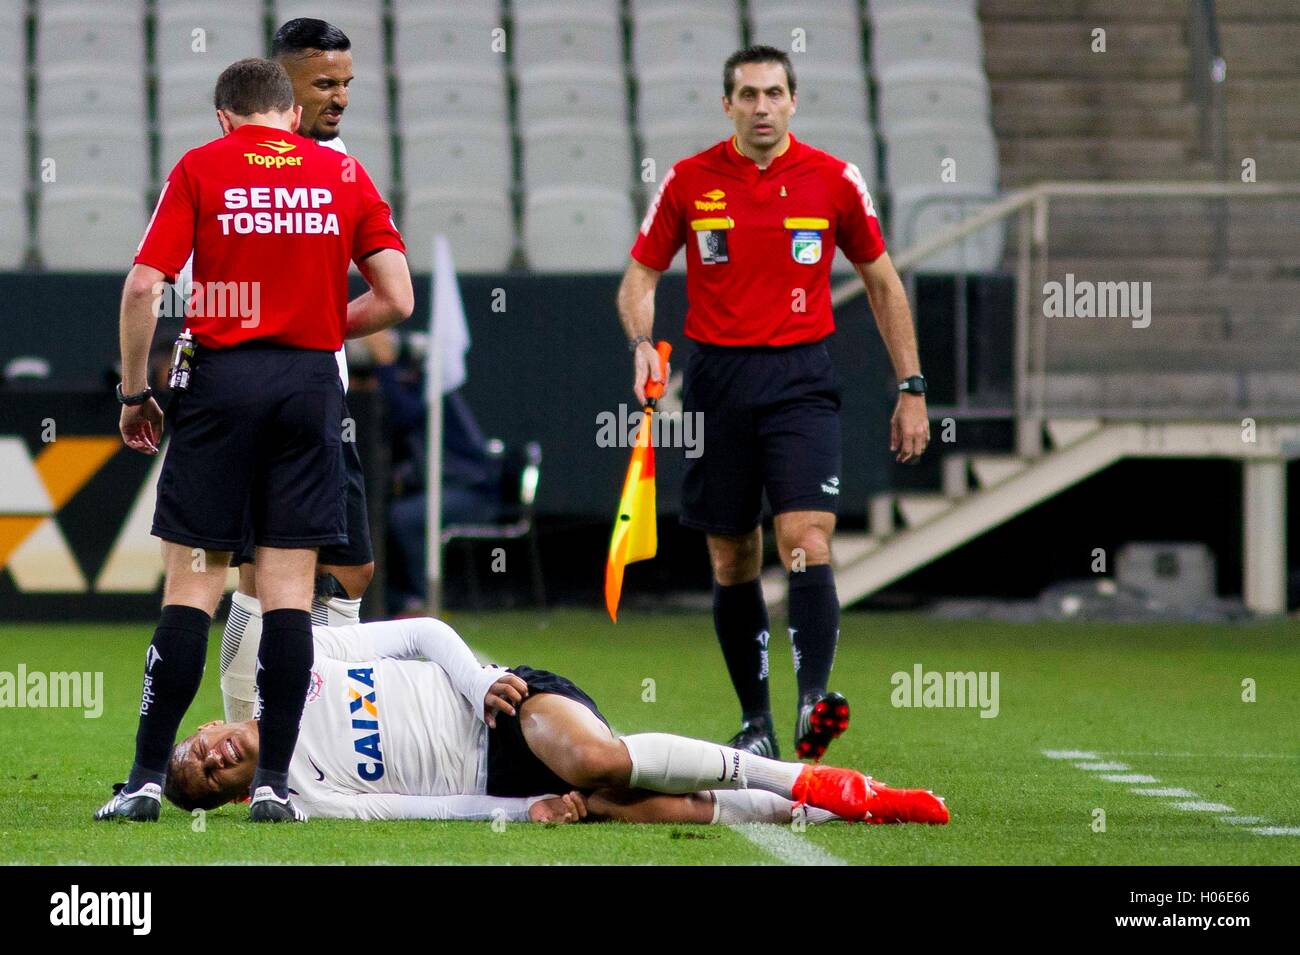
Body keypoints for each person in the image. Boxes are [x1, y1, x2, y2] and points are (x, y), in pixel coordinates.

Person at [97, 57, 412, 824]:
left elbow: (143, 285)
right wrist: (309, 326)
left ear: (223, 118)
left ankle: (142, 779)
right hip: (309, 391)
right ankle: (273, 784)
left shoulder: (202, 167)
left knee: (195, 587)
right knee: (287, 598)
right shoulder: (340, 173)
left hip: (220, 387)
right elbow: (398, 295)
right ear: (291, 115)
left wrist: (137, 391)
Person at [616, 46, 930, 761]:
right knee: (732, 555)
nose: (762, 106)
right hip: (717, 380)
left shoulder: (833, 180)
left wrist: (910, 387)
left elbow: (883, 285)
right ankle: (755, 717)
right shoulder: (690, 181)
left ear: (794, 101)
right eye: (748, 94)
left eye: (775, 93)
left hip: (801, 379)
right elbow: (639, 278)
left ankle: (814, 698)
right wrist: (642, 341)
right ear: (726, 104)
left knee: (806, 537)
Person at [162, 615, 949, 827]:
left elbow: (421, 632)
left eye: (199, 744)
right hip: (495, 778)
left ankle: (816, 778)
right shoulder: (302, 795)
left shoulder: (295, 662)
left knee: (595, 764)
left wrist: (475, 682)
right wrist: (529, 809)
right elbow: (426, 807)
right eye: (211, 772)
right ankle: (790, 802)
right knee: (621, 804)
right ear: (233, 793)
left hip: (508, 707)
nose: (215, 752)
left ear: (203, 721)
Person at [219, 18, 385, 727]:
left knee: (346, 569)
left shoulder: (338, 160)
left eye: (347, 83)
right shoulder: (230, 169)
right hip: (272, 392)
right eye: (324, 83)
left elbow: (391, 292)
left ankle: (318, 731)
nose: (340, 96)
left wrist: (315, 321)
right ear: (280, 84)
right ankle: (244, 733)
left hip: (319, 391)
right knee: (264, 577)